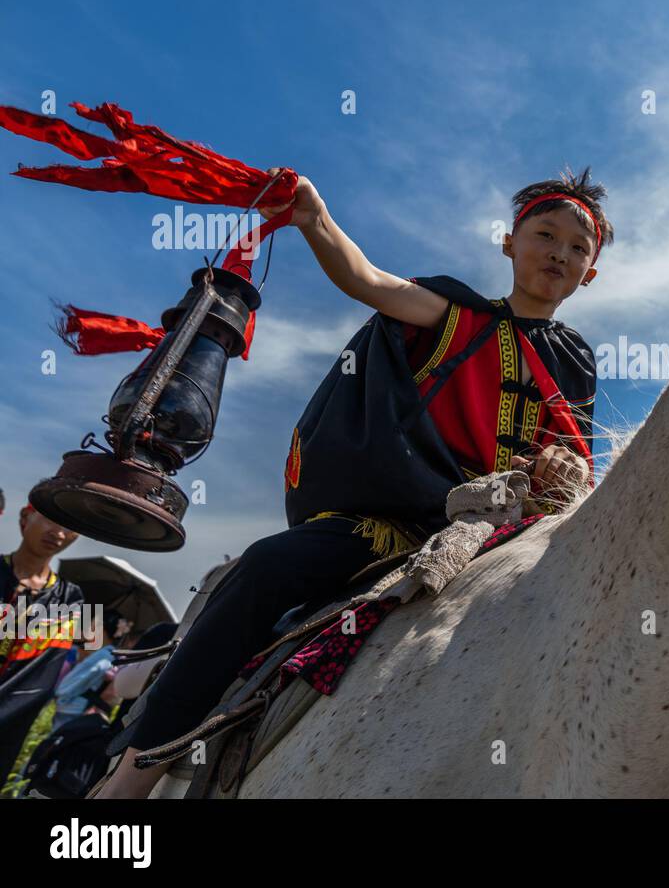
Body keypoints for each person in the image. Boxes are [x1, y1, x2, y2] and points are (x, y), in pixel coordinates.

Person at [95, 165, 613, 798]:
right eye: (545, 234)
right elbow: (369, 281)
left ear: (590, 273)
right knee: (265, 568)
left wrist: (566, 469)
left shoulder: (578, 361)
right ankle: (135, 777)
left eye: (578, 248)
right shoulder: (455, 314)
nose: (559, 252)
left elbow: (571, 458)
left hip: (515, 532)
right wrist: (316, 221)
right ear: (509, 241)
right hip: (405, 522)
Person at [0, 503, 84, 791]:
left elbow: (37, 678)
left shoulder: (68, 599)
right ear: (26, 516)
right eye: (53, 518)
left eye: (70, 527)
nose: (59, 534)